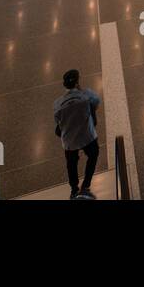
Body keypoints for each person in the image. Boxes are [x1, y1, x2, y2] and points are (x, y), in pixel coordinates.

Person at [53, 69, 102, 200]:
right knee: (93, 154)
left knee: (71, 163)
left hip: (69, 141)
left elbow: (57, 120)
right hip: (87, 135)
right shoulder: (86, 95)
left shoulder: (58, 103)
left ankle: (74, 189)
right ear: (77, 82)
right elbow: (96, 102)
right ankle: (85, 185)